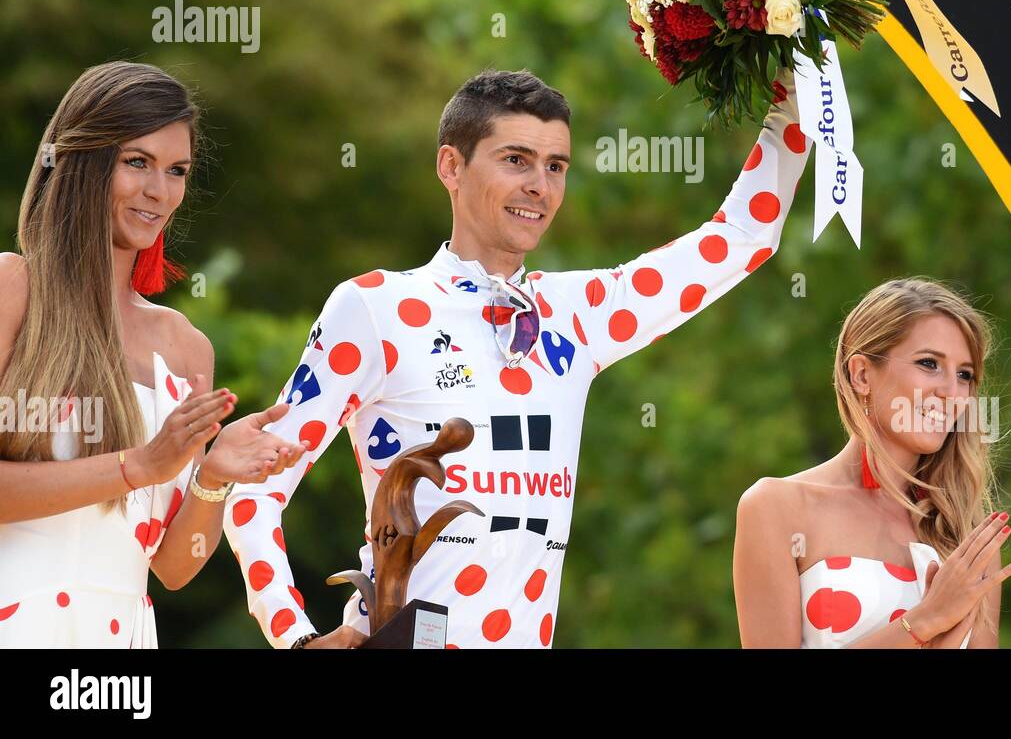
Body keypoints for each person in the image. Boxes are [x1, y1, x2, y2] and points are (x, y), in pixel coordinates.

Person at [223, 66, 810, 648]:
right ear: (451, 166)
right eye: (516, 160)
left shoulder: (578, 313)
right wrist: (296, 638)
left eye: (556, 167)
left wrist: (797, 89)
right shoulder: (375, 307)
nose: (541, 186)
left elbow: (743, 237)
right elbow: (252, 493)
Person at [0, 61, 307, 648]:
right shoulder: (14, 288)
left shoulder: (186, 347)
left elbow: (173, 566)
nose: (159, 191)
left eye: (177, 170)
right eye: (136, 162)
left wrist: (212, 477)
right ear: (82, 162)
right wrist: (138, 465)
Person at [733, 277, 1011, 648]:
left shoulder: (966, 534)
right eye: (929, 363)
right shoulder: (777, 507)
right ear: (862, 374)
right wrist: (924, 621)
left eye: (964, 375)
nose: (951, 392)